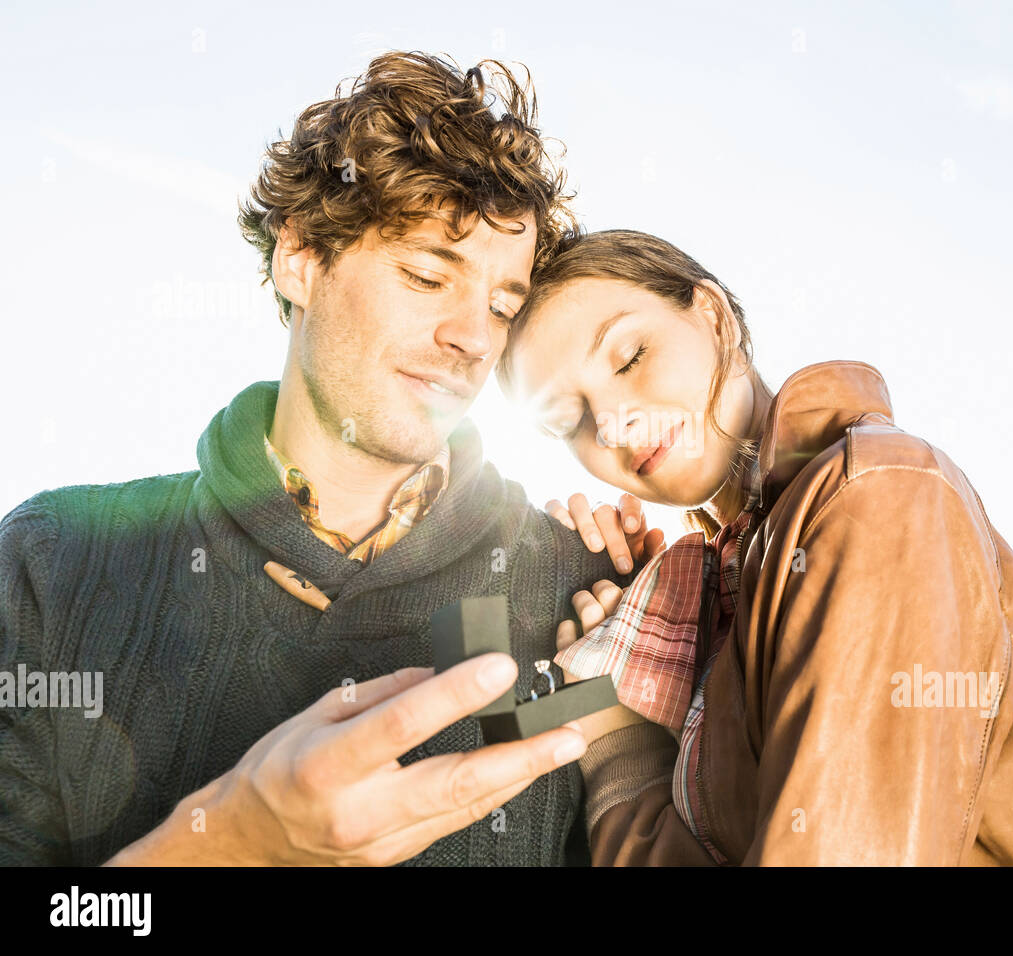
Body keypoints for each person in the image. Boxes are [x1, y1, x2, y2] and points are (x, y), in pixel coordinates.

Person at [0, 52, 652, 867]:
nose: (473, 339)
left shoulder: (591, 589)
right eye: (424, 274)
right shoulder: (55, 560)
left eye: (501, 305)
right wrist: (234, 846)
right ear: (300, 258)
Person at [497, 228, 1013, 865]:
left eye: (630, 357)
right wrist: (555, 576)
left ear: (715, 319)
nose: (611, 424)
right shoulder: (712, 579)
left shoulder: (873, 499)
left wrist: (620, 749)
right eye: (568, 420)